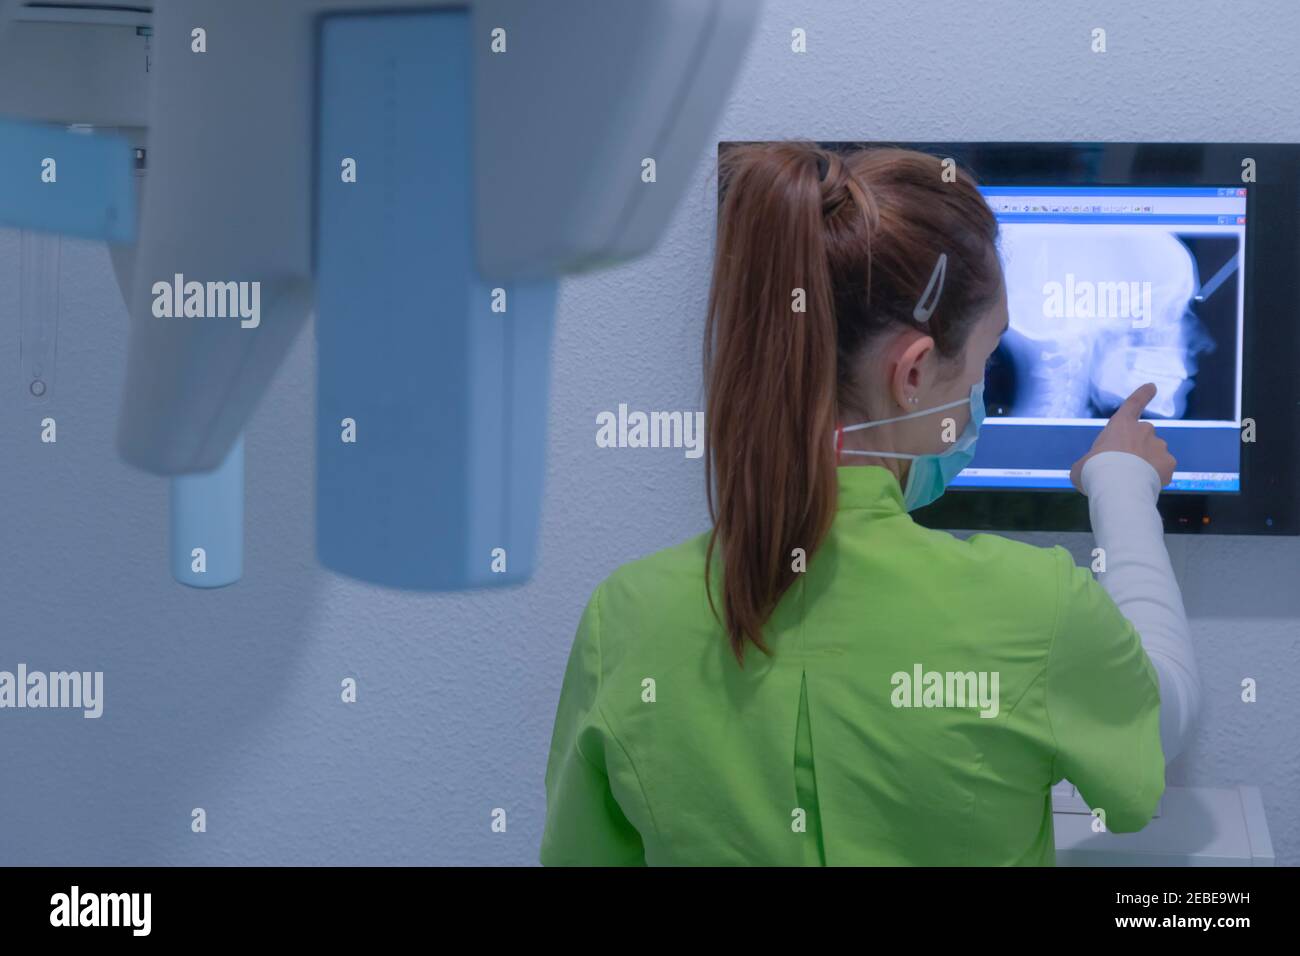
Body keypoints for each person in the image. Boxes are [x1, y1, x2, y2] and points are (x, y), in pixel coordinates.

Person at [540, 142, 1201, 866]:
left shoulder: (626, 620)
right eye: (987, 361)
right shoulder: (1036, 613)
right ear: (913, 373)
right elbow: (1158, 724)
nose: (981, 389)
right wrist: (1122, 485)